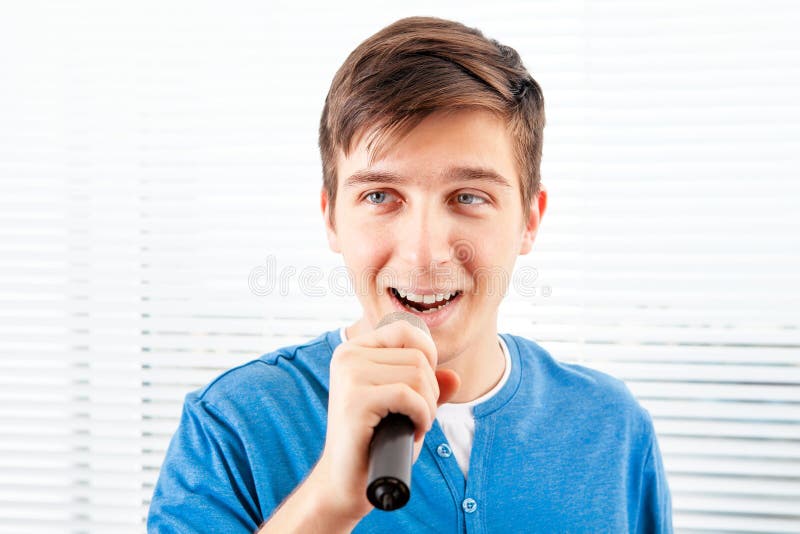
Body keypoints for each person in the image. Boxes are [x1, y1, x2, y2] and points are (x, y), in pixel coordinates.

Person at [147, 15, 672, 533]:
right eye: (380, 196)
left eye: (469, 197)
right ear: (331, 218)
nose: (424, 254)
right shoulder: (231, 428)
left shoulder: (614, 428)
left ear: (529, 221)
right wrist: (327, 503)